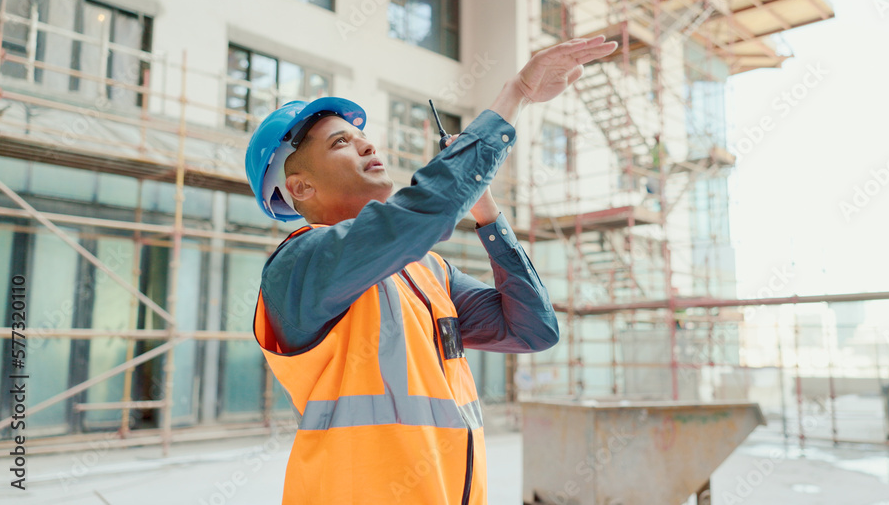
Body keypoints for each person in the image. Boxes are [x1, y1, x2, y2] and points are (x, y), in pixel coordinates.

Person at [245, 35, 617, 505]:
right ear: (299, 187)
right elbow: (420, 216)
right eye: (342, 142)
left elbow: (533, 329)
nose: (365, 146)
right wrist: (515, 94)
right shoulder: (298, 265)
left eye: (363, 137)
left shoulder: (428, 273)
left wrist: (486, 209)